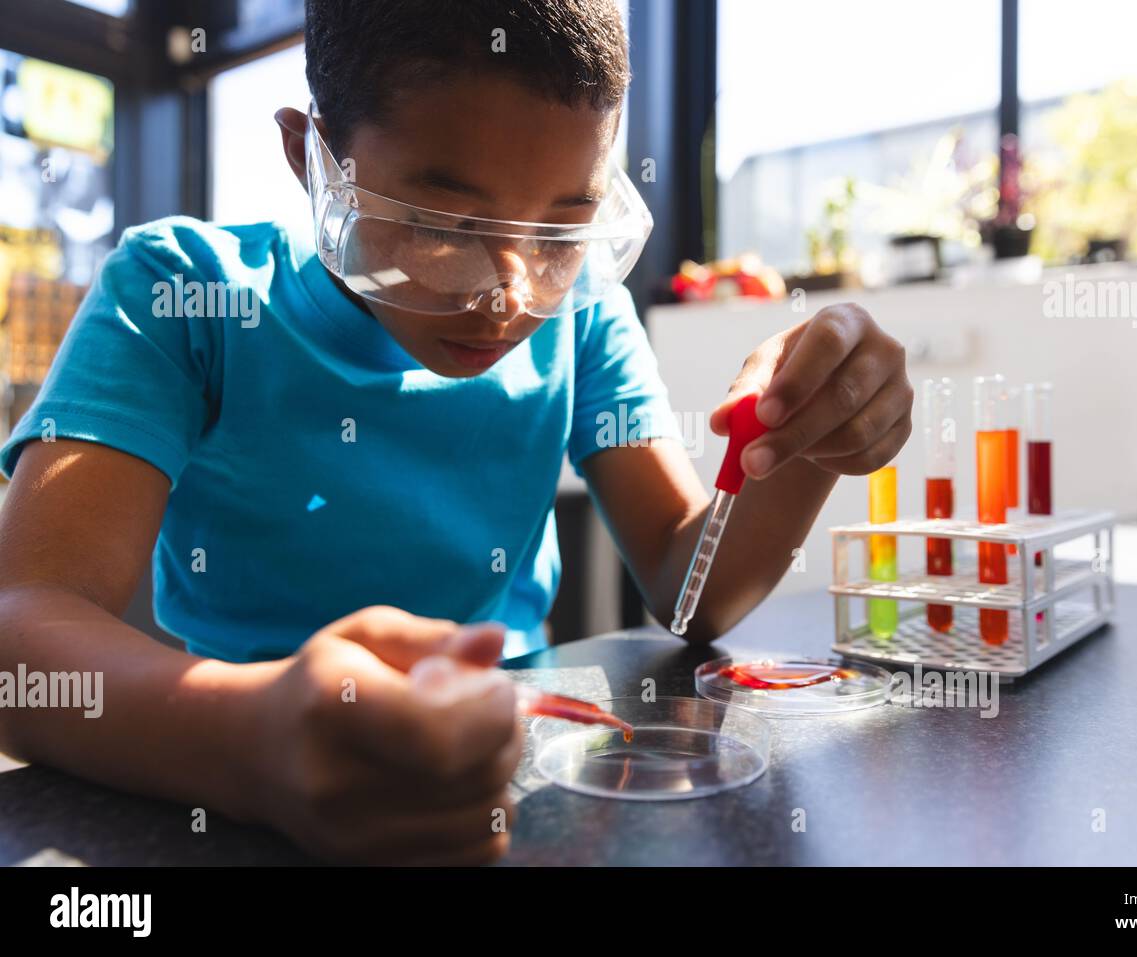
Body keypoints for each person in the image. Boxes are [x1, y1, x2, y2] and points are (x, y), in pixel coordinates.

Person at [0, 0, 911, 863]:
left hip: (520, 776)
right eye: (443, 227)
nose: (508, 293)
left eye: (564, 231)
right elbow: (22, 630)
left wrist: (804, 442)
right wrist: (249, 738)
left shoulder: (582, 314)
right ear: (312, 156)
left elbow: (691, 589)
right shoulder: (184, 296)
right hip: (231, 798)